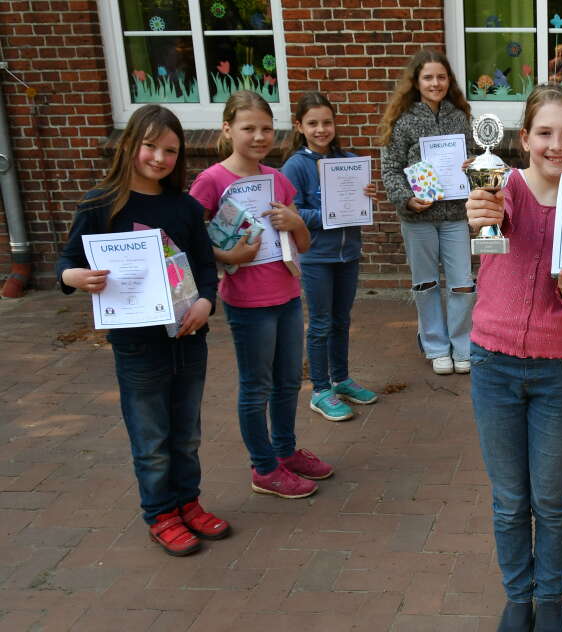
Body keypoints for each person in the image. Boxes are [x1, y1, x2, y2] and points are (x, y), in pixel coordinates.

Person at [464, 84, 562, 632]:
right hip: (493, 365)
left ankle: (550, 598)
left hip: (559, 373)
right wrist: (478, 213)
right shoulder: (503, 189)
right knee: (508, 500)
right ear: (524, 139)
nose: (556, 144)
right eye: (544, 133)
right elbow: (486, 225)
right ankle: (517, 596)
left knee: (549, 497)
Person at [57, 105, 227, 556]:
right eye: (150, 146)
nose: (159, 158)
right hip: (136, 344)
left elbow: (205, 268)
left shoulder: (185, 207)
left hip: (188, 336)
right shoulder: (100, 204)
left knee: (186, 435)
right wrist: (75, 277)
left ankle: (188, 503)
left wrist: (206, 302)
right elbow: (67, 261)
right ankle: (160, 513)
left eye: (170, 150)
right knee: (151, 438)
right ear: (131, 144)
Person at [191, 90, 334, 499]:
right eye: (248, 128)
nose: (259, 136)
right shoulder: (212, 181)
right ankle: (264, 467)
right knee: (256, 387)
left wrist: (296, 222)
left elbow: (303, 244)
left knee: (288, 382)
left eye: (266, 129)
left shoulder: (277, 179)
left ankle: (285, 452)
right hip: (248, 303)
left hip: (286, 294)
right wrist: (227, 256)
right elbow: (190, 241)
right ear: (227, 129)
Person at [281, 92, 380, 422]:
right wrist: (331, 214)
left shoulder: (348, 160)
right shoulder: (295, 166)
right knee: (321, 323)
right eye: (313, 123)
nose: (321, 129)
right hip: (317, 257)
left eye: (327, 122)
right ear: (299, 126)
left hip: (348, 254)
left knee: (341, 320)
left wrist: (366, 198)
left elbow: (361, 208)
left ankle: (341, 380)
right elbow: (292, 213)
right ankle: (320, 390)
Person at [379, 49, 474, 375]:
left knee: (462, 284)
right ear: (416, 82)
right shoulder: (403, 121)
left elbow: (473, 157)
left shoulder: (460, 117)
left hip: (455, 214)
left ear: (449, 80)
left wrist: (473, 164)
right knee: (426, 284)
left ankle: (462, 345)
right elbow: (390, 169)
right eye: (428, 77)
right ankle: (436, 347)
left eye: (441, 77)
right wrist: (406, 199)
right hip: (418, 217)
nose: (436, 83)